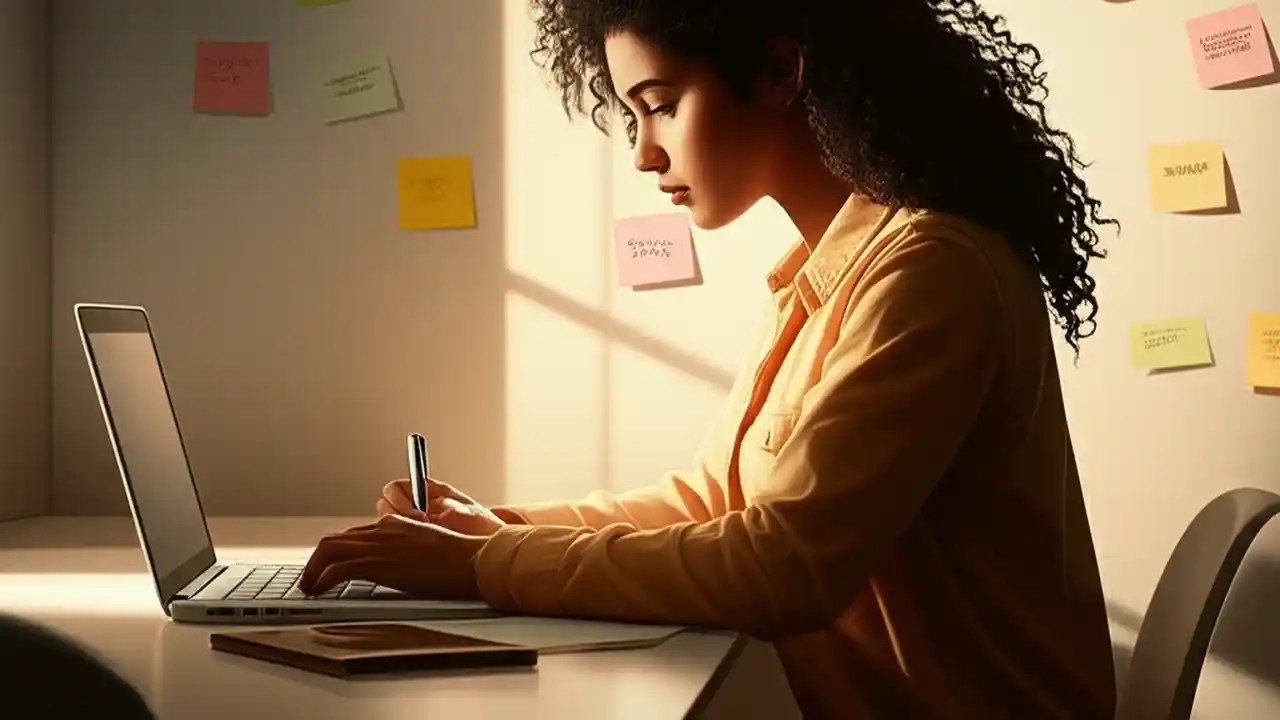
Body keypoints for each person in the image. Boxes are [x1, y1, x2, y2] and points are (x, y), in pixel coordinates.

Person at [300, 1, 1119, 716]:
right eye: (632, 116)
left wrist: (482, 564)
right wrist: (497, 529)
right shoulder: (823, 274)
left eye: (659, 106)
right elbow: (714, 497)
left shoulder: (931, 272)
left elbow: (780, 568)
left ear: (775, 72)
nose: (644, 154)